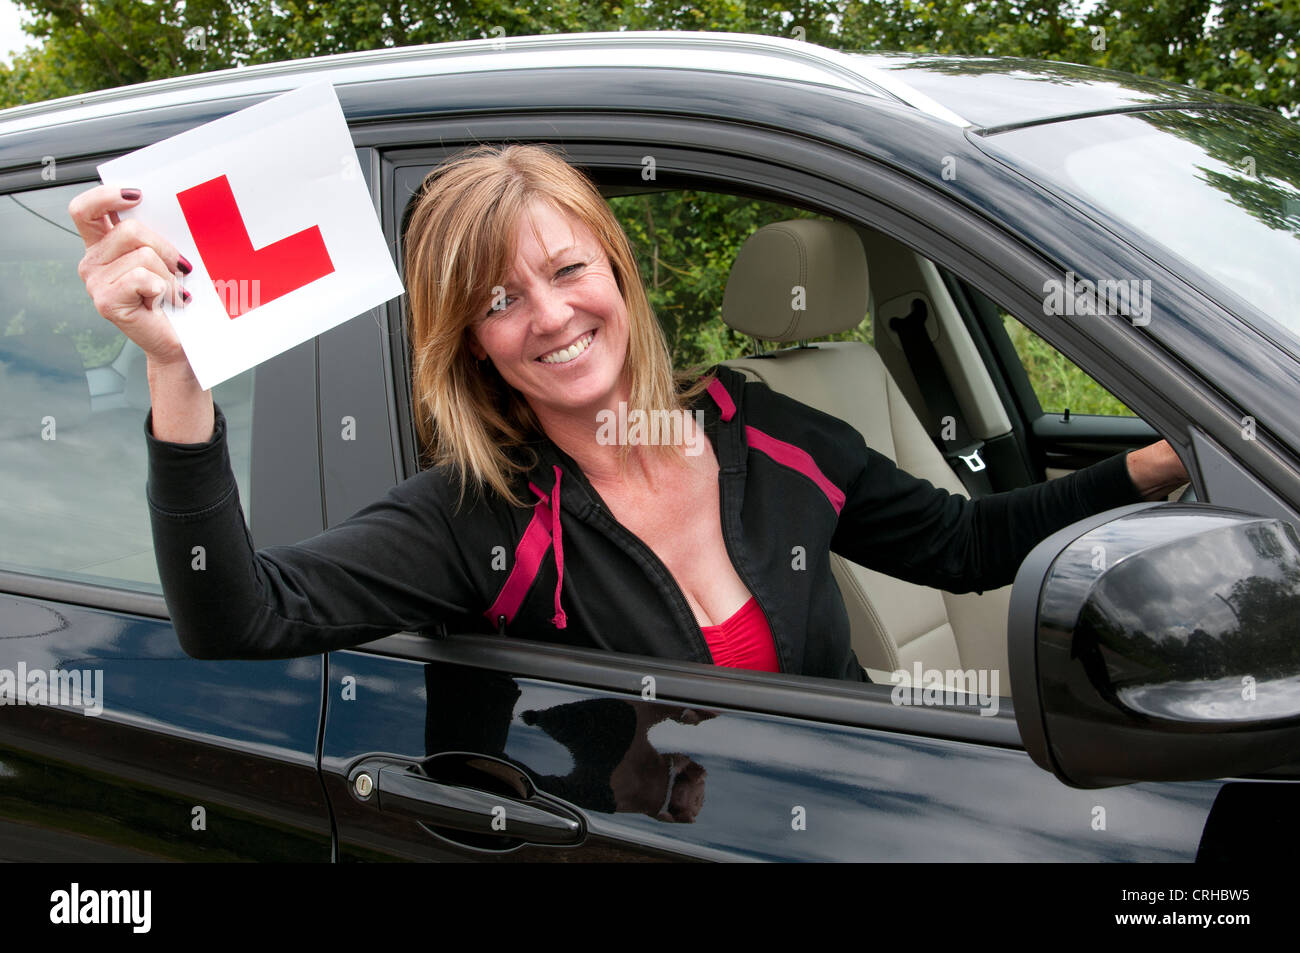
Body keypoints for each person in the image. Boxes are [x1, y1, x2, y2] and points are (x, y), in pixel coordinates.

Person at [67, 143, 1189, 681]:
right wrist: (180, 370)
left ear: (618, 267)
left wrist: (1155, 468)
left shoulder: (764, 429)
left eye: (566, 270)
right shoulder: (479, 516)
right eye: (499, 301)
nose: (550, 317)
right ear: (470, 342)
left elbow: (962, 541)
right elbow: (237, 619)